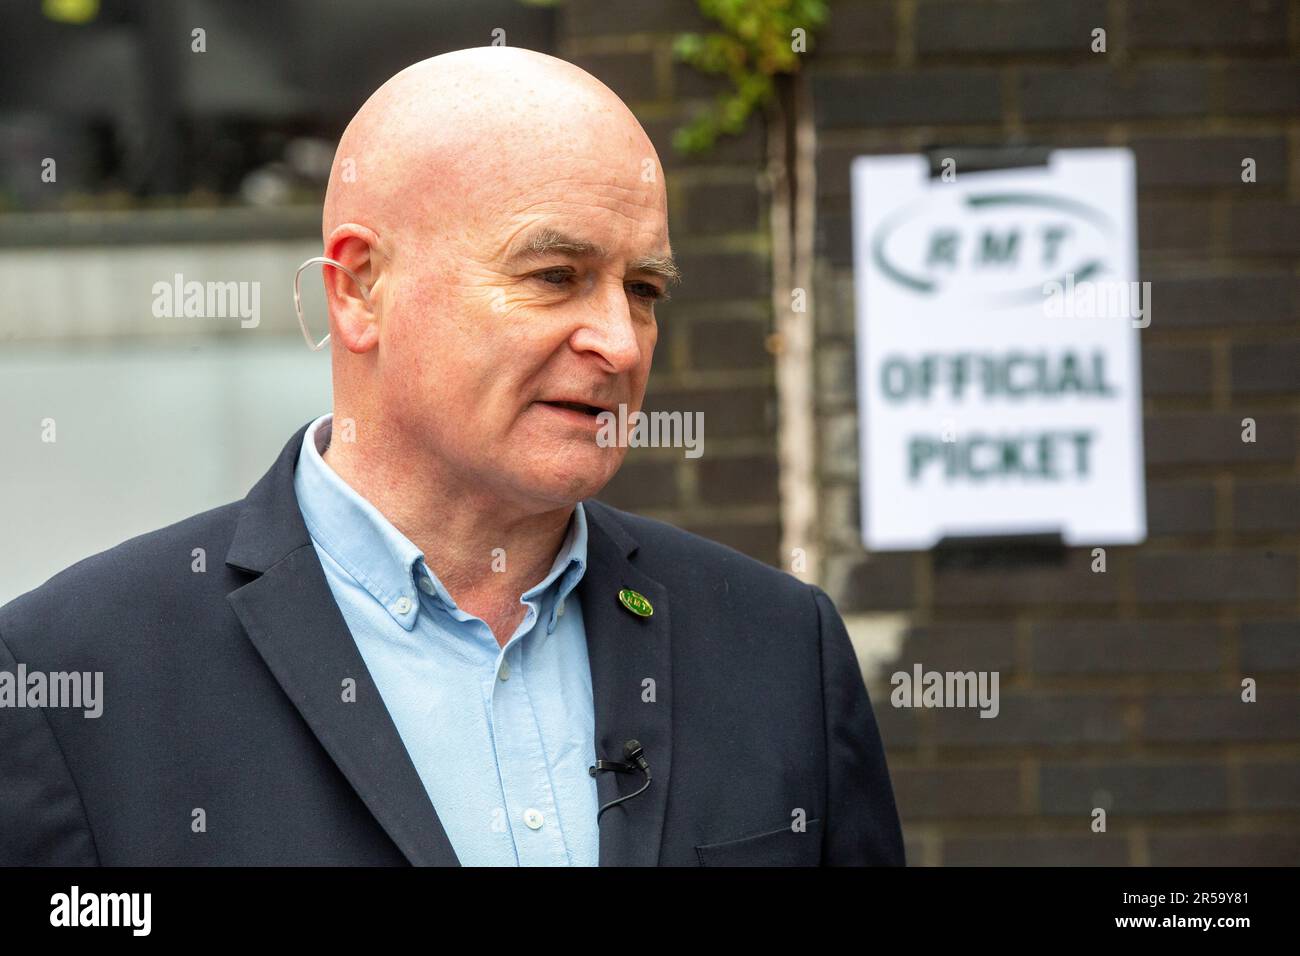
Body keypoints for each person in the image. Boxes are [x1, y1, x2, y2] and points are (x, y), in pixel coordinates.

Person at [0, 47, 903, 866]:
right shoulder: (76, 678)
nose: (621, 344)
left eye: (644, 288)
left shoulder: (778, 649)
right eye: (554, 277)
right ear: (359, 290)